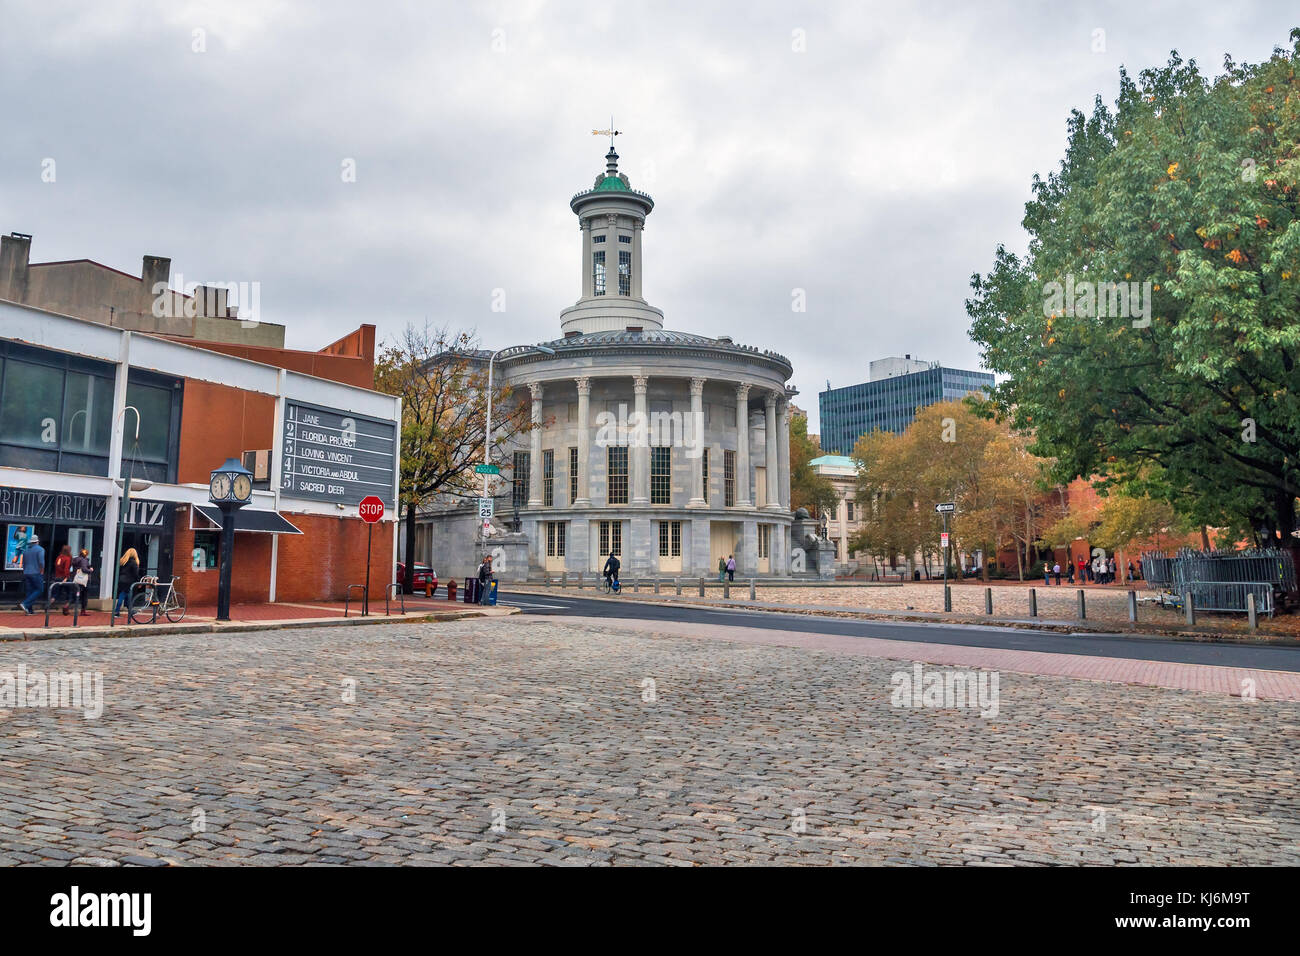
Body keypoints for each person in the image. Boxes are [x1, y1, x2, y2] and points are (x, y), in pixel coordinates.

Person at [18, 534, 46, 615]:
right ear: (37, 542)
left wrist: (25, 570)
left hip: (27, 572)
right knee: (39, 589)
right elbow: (41, 562)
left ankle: (29, 610)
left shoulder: (26, 550)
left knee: (30, 591)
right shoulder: (40, 549)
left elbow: (24, 563)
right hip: (36, 572)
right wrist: (42, 570)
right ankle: (25, 604)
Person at [114, 547, 140, 617]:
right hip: (129, 581)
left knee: (126, 595)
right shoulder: (133, 563)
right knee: (123, 595)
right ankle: (117, 611)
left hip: (121, 580)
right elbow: (135, 574)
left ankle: (129, 610)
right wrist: (139, 582)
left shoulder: (123, 561)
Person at [70, 548, 94, 613]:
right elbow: (84, 569)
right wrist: (90, 570)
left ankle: (67, 605)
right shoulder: (84, 560)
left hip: (76, 579)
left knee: (76, 593)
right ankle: (83, 611)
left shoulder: (75, 559)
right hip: (84, 580)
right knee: (85, 595)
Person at [53, 544, 73, 615]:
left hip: (57, 577)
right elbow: (66, 569)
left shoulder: (59, 557)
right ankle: (66, 607)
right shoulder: (67, 558)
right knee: (70, 593)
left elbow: (56, 566)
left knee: (56, 593)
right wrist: (66, 577)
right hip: (64, 578)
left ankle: (49, 604)